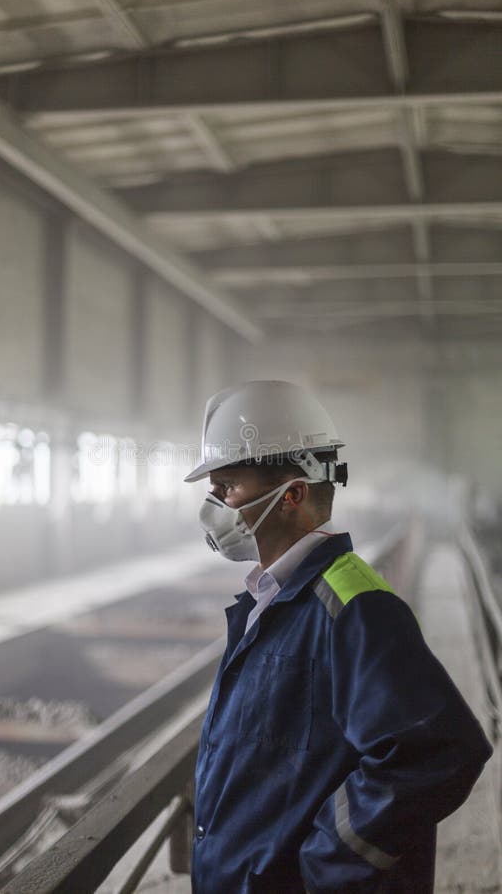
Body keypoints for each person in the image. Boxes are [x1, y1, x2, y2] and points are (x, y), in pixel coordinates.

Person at [183, 380, 492, 894]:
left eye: (228, 487)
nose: (212, 505)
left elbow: (439, 748)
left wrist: (328, 862)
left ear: (293, 495)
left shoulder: (354, 608)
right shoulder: (272, 600)